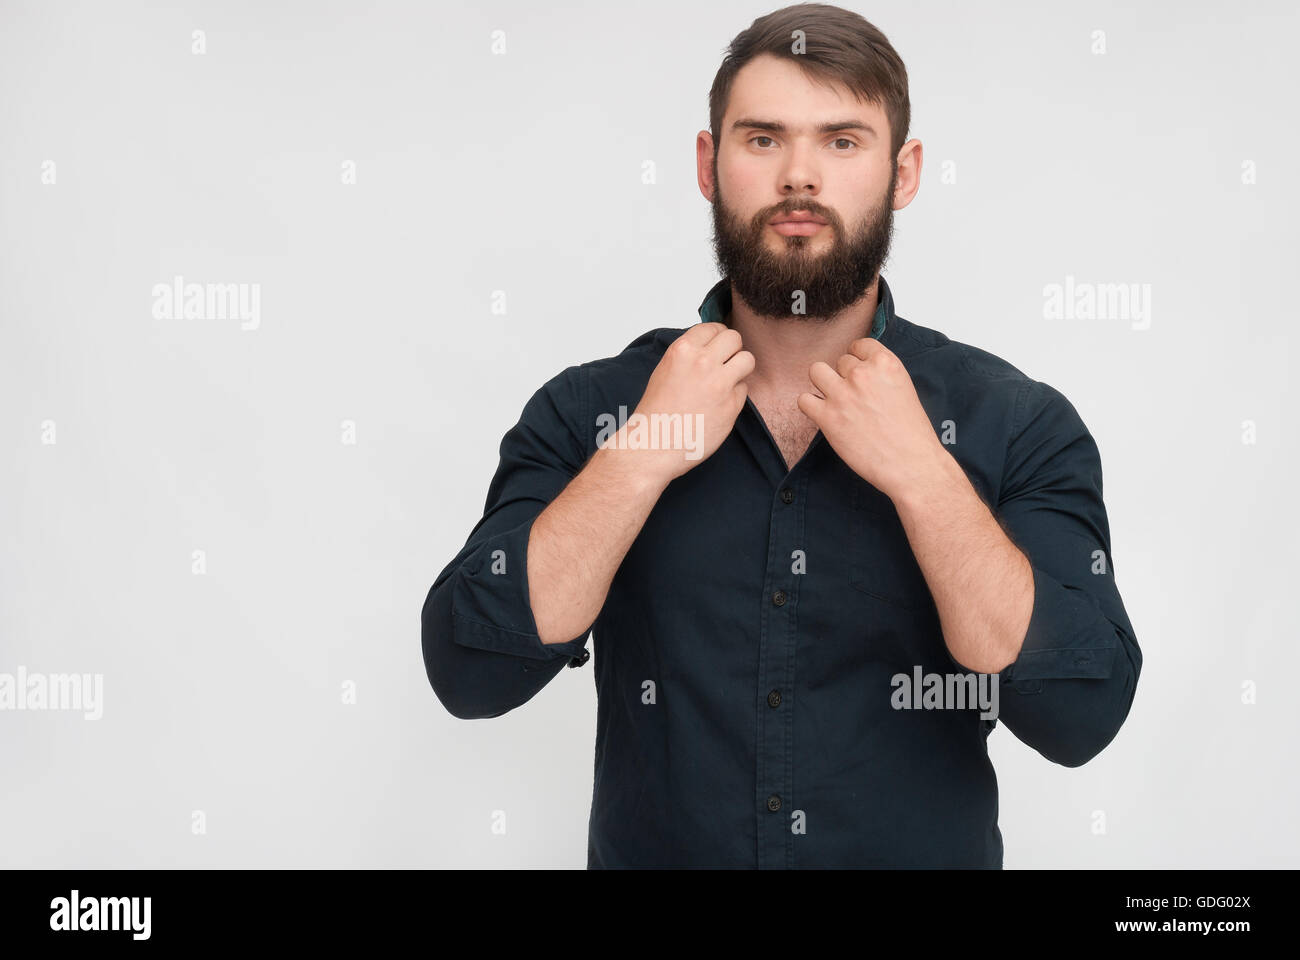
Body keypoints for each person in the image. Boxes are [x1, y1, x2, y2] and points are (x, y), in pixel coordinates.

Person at [421, 3, 1141, 868]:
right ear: (708, 163)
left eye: (842, 141)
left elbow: (1079, 715)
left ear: (902, 172)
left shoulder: (1015, 422)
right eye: (763, 139)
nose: (800, 176)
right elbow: (472, 671)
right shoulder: (594, 412)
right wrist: (642, 454)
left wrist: (922, 475)